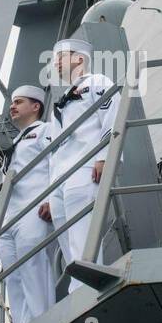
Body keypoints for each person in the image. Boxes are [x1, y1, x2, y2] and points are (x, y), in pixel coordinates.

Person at [41, 38, 121, 291]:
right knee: (67, 242)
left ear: (79, 58)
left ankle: (85, 293)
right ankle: (78, 289)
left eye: (61, 57)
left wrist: (104, 156)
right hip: (61, 177)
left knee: (83, 235)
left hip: (85, 168)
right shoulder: (63, 98)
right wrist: (50, 189)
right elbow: (55, 148)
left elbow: (113, 117)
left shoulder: (97, 83)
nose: (56, 62)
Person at [0, 86, 57, 323]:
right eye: (12, 102)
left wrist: (53, 197)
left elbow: (57, 161)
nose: (12, 106)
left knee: (33, 266)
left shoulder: (46, 130)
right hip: (10, 216)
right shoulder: (14, 142)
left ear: (36, 107)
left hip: (34, 208)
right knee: (13, 274)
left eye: (18, 102)